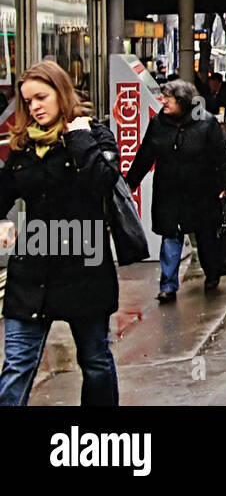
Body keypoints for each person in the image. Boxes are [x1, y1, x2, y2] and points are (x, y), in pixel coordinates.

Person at [0, 62, 121, 406]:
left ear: (61, 93)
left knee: (95, 360)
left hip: (84, 264)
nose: (35, 106)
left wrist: (78, 136)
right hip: (32, 269)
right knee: (18, 363)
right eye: (27, 101)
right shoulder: (24, 145)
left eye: (41, 97)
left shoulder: (92, 135)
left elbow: (102, 180)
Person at [125, 80, 226, 299]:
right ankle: (168, 286)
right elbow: (146, 153)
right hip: (169, 192)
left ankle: (212, 273)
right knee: (170, 236)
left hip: (201, 191)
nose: (164, 101)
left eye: (169, 97)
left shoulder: (206, 123)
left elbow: (223, 157)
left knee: (206, 236)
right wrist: (132, 181)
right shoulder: (159, 123)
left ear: (183, 101)